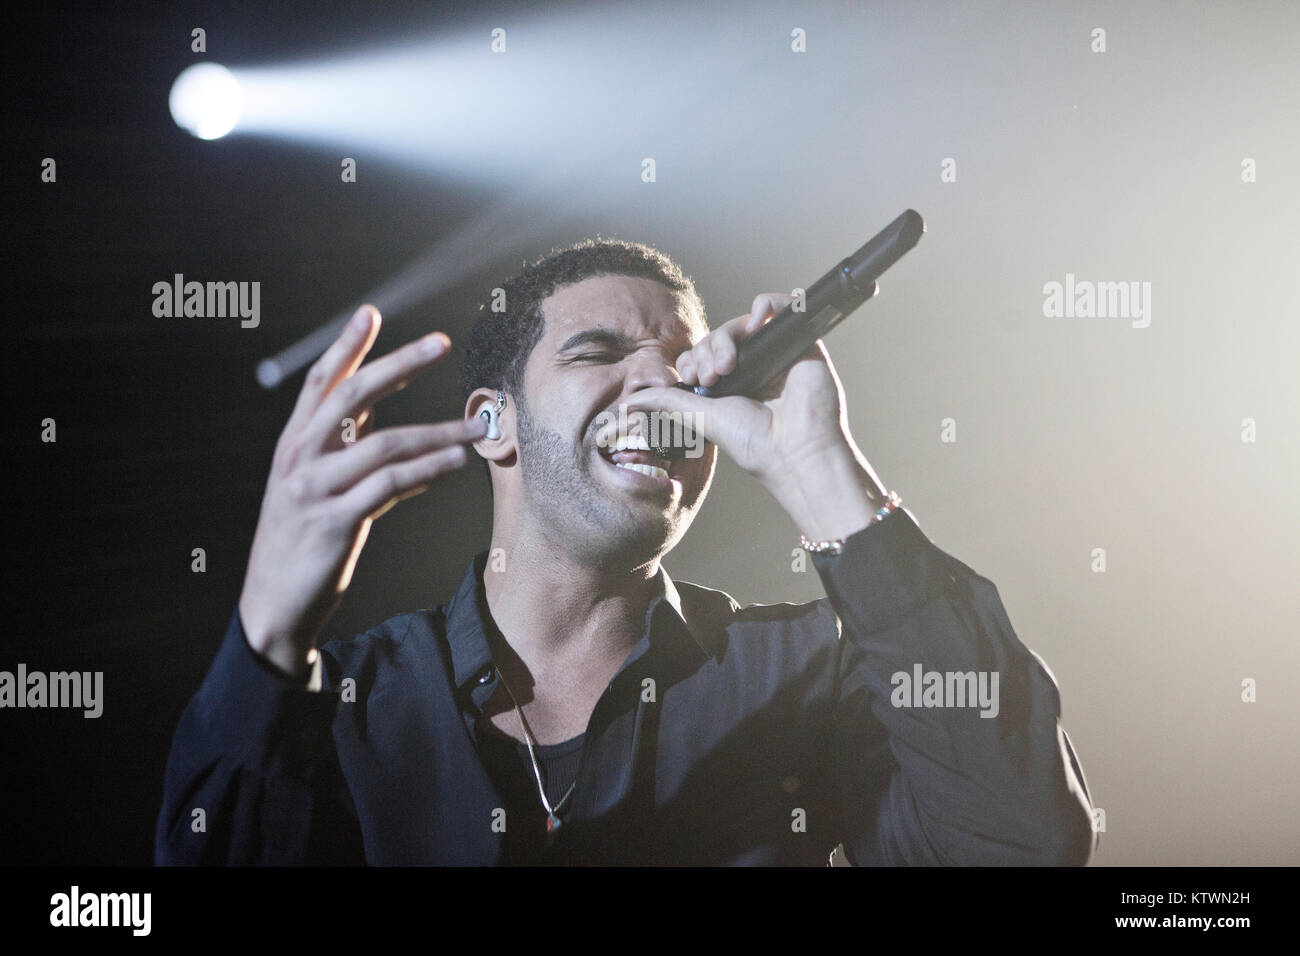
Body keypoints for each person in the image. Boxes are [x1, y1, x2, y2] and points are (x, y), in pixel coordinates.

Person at [155, 239, 1096, 865]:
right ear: (494, 422)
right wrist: (269, 632)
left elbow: (1018, 843)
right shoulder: (344, 705)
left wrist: (821, 473)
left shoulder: (814, 670)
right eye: (598, 352)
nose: (657, 384)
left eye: (680, 366)